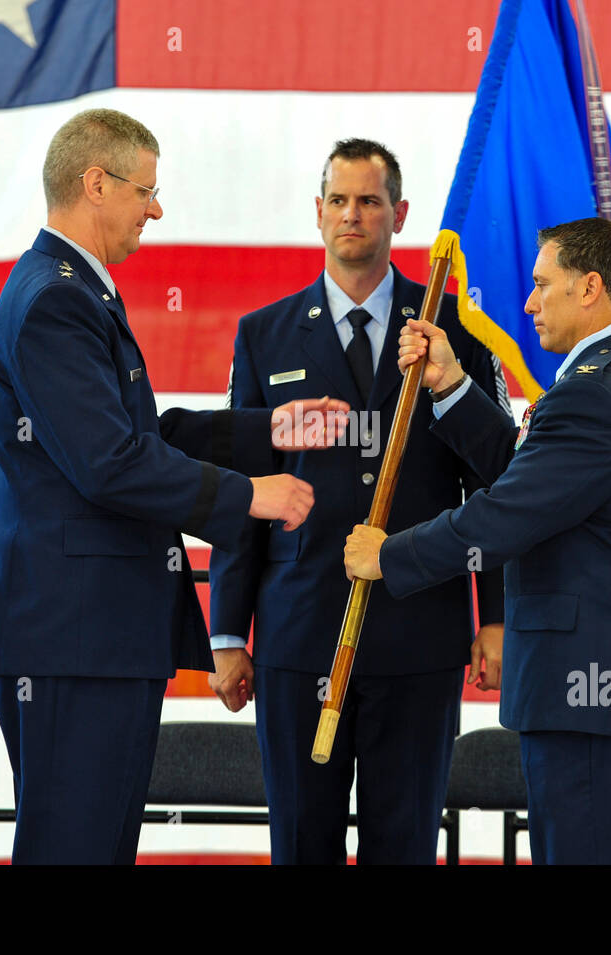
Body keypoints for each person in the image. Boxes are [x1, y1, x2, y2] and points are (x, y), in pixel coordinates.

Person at [0, 108, 346, 864]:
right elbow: (110, 462)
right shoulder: (56, 300)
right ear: (95, 184)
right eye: (146, 189)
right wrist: (252, 496)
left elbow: (142, 434)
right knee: (73, 849)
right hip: (76, 639)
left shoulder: (75, 289)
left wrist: (268, 430)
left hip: (90, 634)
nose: (156, 208)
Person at [344, 217, 611, 864]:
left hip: (588, 684)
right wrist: (451, 383)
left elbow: (503, 513)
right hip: (604, 681)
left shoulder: (594, 392)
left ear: (590, 287)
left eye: (541, 284)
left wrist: (388, 555)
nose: (528, 302)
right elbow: (529, 472)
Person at [207, 138, 509, 864]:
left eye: (370, 201)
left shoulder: (457, 328)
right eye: (338, 201)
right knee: (301, 844)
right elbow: (242, 494)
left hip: (421, 635)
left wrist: (495, 616)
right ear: (317, 213)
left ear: (398, 214)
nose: (353, 215)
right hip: (296, 634)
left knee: (402, 845)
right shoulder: (263, 334)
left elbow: (496, 485)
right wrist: (224, 634)